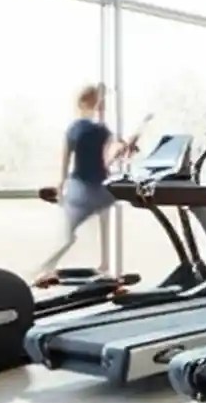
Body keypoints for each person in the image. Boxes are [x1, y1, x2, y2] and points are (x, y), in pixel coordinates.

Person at [32, 84, 143, 287]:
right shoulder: (97, 130)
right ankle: (44, 269)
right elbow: (107, 159)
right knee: (81, 230)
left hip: (87, 186)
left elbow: (68, 162)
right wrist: (125, 150)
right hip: (89, 188)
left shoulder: (80, 129)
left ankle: (100, 265)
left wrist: (61, 187)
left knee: (74, 235)